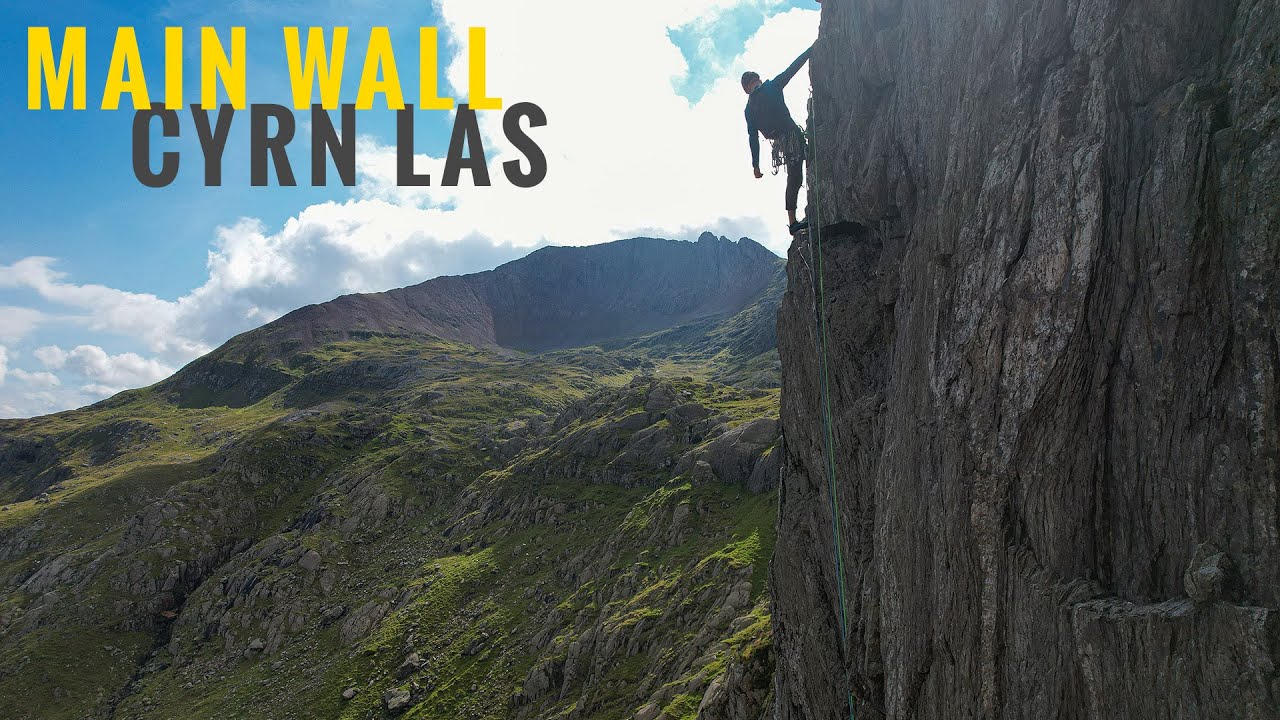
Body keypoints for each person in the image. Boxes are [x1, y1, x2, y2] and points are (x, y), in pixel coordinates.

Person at [743, 45, 812, 235]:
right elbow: (792, 69)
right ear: (757, 80)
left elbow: (753, 137)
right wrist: (811, 50)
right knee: (801, 171)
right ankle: (800, 216)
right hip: (792, 135)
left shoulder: (749, 109)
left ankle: (792, 222)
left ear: (746, 89)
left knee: (794, 177)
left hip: (782, 144)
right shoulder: (771, 86)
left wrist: (755, 166)